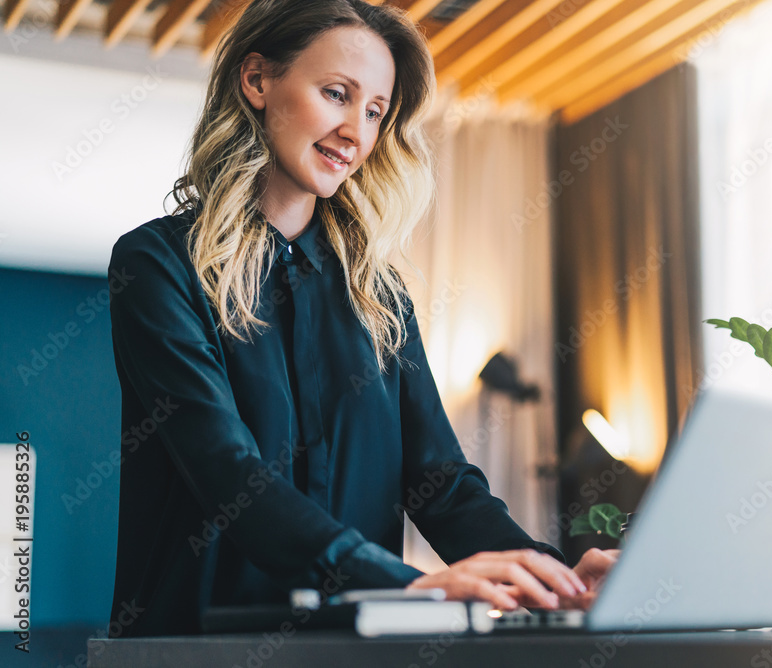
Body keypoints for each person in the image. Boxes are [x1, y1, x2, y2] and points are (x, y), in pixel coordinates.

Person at [106, 0, 616, 637]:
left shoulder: (379, 293)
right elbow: (228, 472)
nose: (355, 131)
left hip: (352, 649)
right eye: (336, 94)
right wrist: (413, 588)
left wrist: (554, 579)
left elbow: (441, 482)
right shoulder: (157, 264)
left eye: (374, 111)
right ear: (257, 80)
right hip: (196, 647)